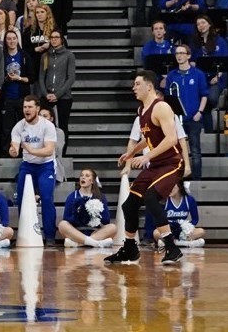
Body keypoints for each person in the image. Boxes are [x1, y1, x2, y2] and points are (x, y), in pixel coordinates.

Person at [107, 70, 185, 265]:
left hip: (172, 163)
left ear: (149, 86)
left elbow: (172, 138)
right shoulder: (142, 111)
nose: (133, 88)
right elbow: (148, 138)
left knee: (151, 198)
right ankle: (130, 248)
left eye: (137, 84)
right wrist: (132, 153)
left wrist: (147, 156)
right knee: (129, 204)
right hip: (156, 164)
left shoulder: (162, 107)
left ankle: (172, 247)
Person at [9, 95, 59, 245]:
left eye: (30, 107)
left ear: (37, 109)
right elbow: (15, 148)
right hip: (28, 165)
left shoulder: (47, 126)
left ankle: (50, 236)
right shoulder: (18, 126)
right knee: (22, 198)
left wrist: (30, 149)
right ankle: (24, 234)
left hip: (46, 165)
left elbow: (49, 150)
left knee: (46, 197)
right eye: (25, 107)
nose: (27, 110)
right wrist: (13, 150)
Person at [58, 168, 117, 248]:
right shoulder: (72, 196)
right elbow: (66, 218)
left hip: (94, 232)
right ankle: (96, 243)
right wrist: (79, 215)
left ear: (92, 181)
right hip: (76, 232)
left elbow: (106, 220)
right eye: (81, 175)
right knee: (62, 225)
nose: (83, 177)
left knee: (113, 227)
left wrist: (95, 215)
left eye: (87, 176)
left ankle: (80, 244)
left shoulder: (100, 197)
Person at [147, 182, 205, 247]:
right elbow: (158, 219)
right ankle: (187, 244)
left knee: (201, 231)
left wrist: (188, 227)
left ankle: (169, 243)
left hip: (182, 230)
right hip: (168, 229)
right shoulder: (164, 200)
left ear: (179, 187)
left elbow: (195, 219)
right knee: (156, 233)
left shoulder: (189, 200)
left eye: (172, 186)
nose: (169, 189)